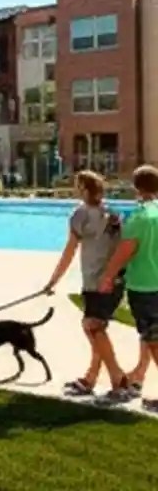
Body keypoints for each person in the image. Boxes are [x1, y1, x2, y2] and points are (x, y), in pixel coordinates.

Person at [44, 171, 141, 402]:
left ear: (84, 190)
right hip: (115, 281)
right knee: (98, 329)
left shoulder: (80, 215)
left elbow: (70, 250)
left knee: (92, 327)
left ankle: (119, 380)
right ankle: (91, 378)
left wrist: (53, 280)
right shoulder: (114, 214)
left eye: (78, 186)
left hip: (97, 282)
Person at [99, 164, 158, 413]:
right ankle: (138, 375)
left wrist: (108, 277)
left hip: (145, 287)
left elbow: (126, 250)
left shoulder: (140, 217)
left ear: (137, 187)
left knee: (154, 339)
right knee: (150, 337)